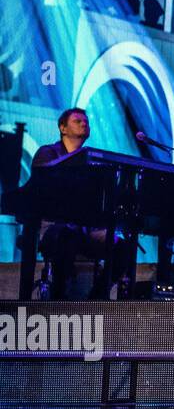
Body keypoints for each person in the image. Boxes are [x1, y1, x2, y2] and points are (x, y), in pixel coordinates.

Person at [31, 108, 120, 299]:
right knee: (66, 235)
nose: (84, 123)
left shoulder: (94, 163)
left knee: (122, 247)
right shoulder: (47, 153)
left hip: (87, 229)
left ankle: (96, 298)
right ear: (63, 128)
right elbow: (43, 191)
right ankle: (59, 298)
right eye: (77, 120)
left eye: (86, 121)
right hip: (54, 226)